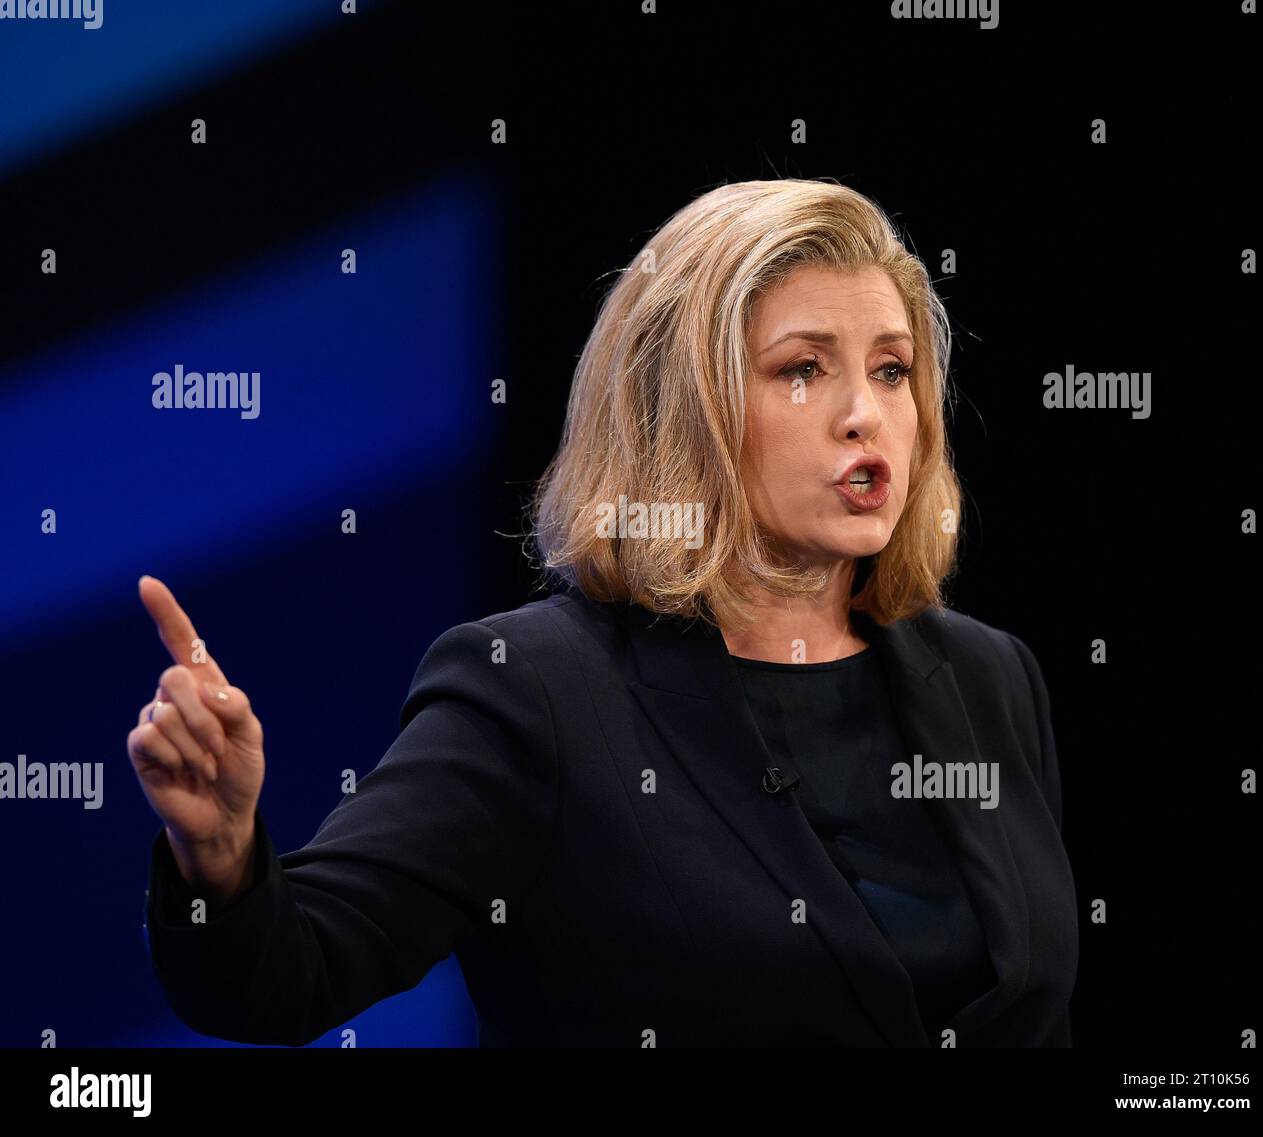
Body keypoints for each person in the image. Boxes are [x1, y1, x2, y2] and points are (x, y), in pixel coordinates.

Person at [129, 178, 1078, 1048]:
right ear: (686, 408)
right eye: (802, 368)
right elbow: (286, 977)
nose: (864, 413)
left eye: (891, 369)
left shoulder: (988, 678)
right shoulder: (539, 692)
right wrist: (218, 852)